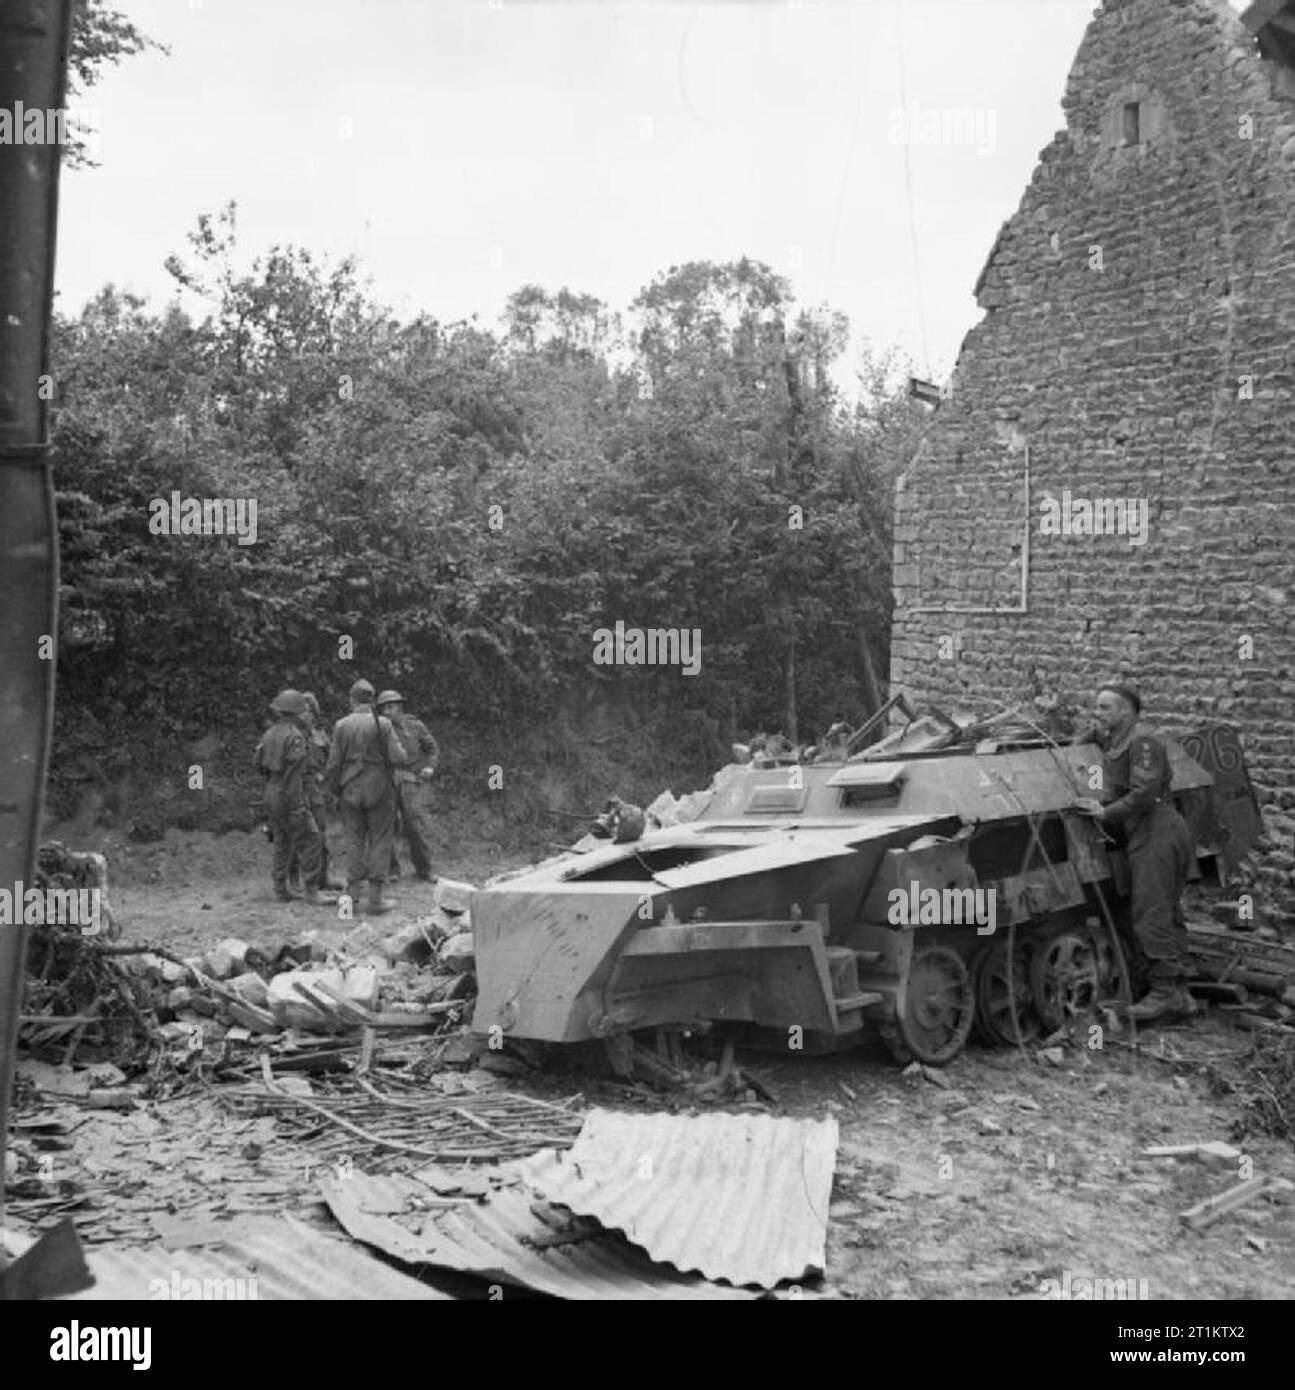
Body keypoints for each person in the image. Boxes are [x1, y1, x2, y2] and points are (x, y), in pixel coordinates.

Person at [1075, 682, 1197, 1022]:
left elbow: (1144, 792)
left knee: (1151, 910)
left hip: (1157, 829)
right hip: (1144, 830)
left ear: (1127, 711)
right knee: (1163, 909)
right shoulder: (1118, 740)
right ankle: (1180, 992)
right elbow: (1097, 750)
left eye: (1105, 708)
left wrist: (1105, 812)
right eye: (1097, 706)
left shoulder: (1143, 741)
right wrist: (1089, 734)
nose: (1097, 713)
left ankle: (1164, 993)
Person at [324, 678, 408, 915]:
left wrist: (335, 790)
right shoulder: (384, 724)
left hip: (350, 788)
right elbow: (399, 757)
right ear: (372, 701)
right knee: (380, 840)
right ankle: (375, 900)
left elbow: (333, 763)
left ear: (352, 700)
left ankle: (351, 898)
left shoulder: (341, 725)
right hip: (380, 788)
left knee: (353, 841)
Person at [254, 689, 325, 905]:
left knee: (282, 841)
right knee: (312, 839)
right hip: (289, 793)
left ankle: (279, 889)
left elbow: (258, 764)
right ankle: (312, 891)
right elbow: (294, 772)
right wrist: (298, 804)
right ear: (295, 712)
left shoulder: (268, 734)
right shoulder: (295, 737)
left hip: (271, 791)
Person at [375, 690, 439, 882]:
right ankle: (392, 871)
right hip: (386, 781)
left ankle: (424, 869)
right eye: (383, 708)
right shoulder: (378, 729)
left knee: (414, 826)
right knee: (385, 825)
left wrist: (430, 767)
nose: (387, 712)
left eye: (391, 707)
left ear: (400, 707)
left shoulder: (415, 726)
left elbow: (432, 748)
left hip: (410, 782)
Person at [287, 691, 336, 891]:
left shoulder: (319, 735)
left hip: (317, 791)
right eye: (302, 711)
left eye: (310, 711)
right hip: (296, 790)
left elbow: (332, 758)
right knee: (297, 835)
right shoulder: (290, 734)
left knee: (320, 834)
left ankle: (322, 877)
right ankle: (294, 878)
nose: (307, 715)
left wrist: (324, 776)